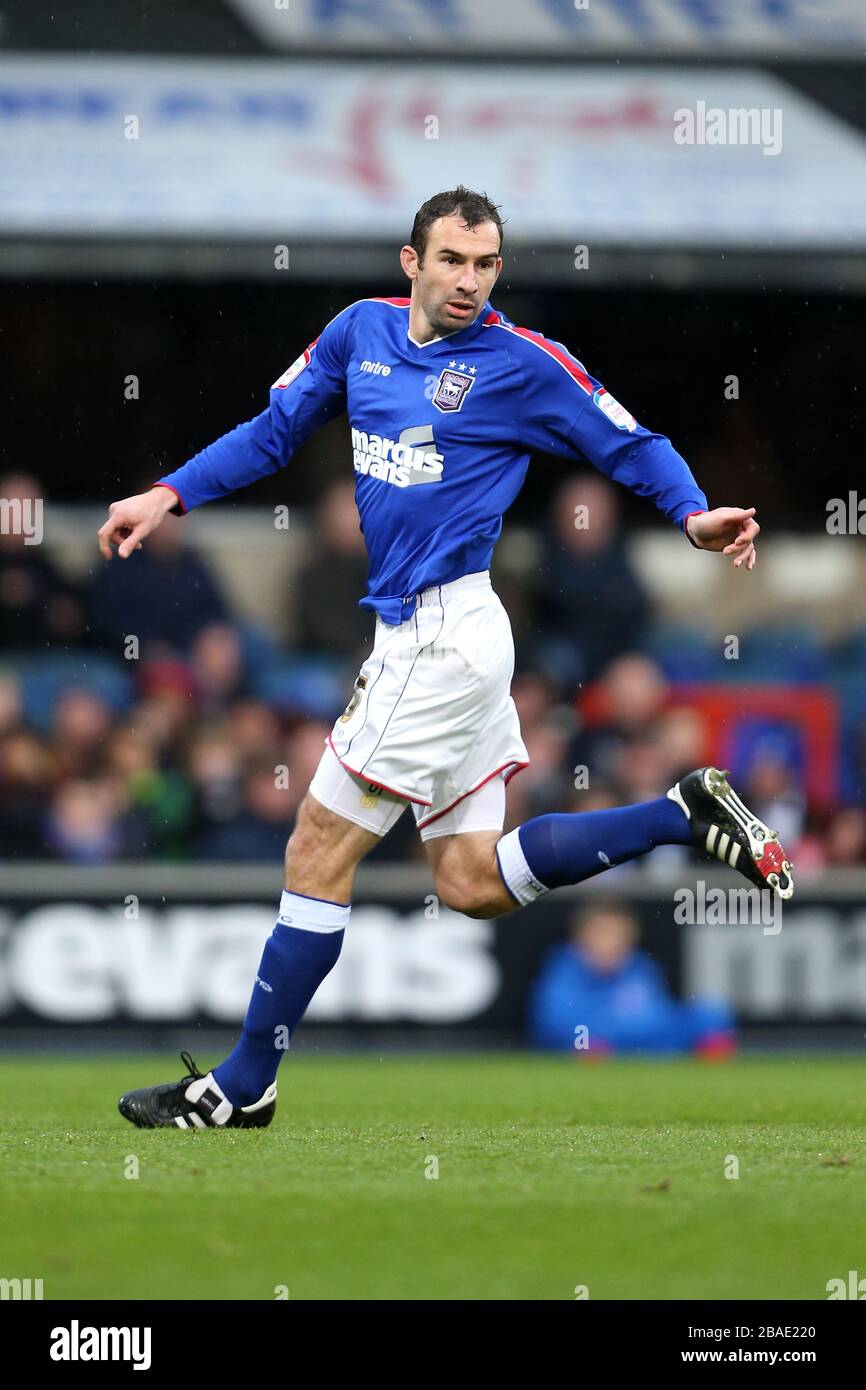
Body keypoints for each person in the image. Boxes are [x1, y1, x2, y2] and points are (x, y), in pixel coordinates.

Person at [97, 186, 792, 1130]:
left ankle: (244, 1082)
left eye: (487, 263)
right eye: (453, 260)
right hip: (427, 634)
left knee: (315, 844)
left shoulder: (521, 363)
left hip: (448, 634)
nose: (470, 280)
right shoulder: (357, 334)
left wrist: (691, 512)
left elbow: (630, 440)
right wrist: (165, 495)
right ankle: (675, 816)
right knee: (468, 882)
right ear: (411, 262)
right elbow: (273, 433)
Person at [529, 901, 735, 1056]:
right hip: (599, 1042)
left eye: (618, 935)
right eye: (603, 933)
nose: (610, 943)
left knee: (710, 1011)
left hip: (647, 1041)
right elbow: (553, 1022)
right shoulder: (564, 968)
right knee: (586, 1041)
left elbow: (660, 1015)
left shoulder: (640, 966)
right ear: (580, 936)